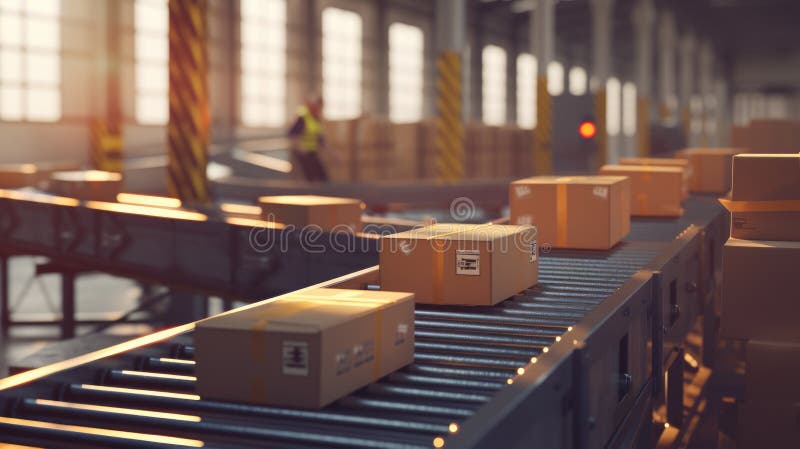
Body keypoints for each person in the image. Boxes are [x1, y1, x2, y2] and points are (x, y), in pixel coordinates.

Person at [288, 96, 329, 182]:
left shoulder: (316, 119)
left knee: (322, 176)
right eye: (318, 107)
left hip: (312, 152)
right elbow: (292, 134)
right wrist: (300, 147)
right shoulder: (303, 117)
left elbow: (320, 139)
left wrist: (333, 153)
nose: (320, 109)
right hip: (301, 153)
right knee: (310, 176)